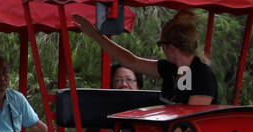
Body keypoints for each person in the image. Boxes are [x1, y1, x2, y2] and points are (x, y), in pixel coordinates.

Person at [73, 10, 218, 104]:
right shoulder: (173, 69)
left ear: (171, 47)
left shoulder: (202, 75)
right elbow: (130, 61)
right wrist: (94, 34)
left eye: (161, 43)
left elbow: (189, 125)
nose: (160, 48)